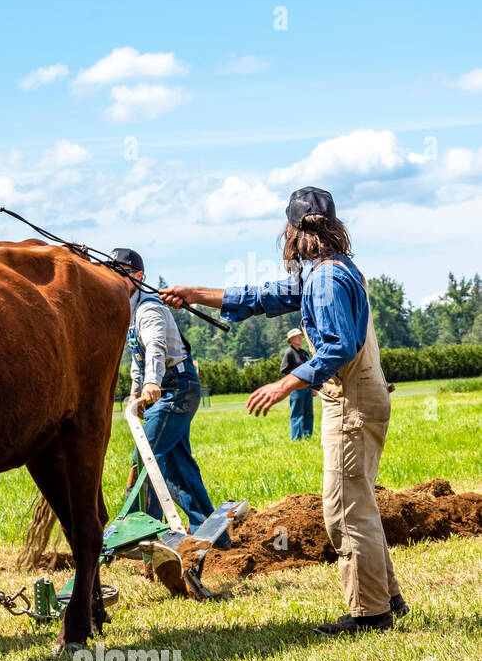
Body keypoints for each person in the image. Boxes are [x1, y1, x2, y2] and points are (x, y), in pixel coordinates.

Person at [160, 187, 407, 635]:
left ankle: (371, 614)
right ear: (332, 228)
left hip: (350, 400)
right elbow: (260, 295)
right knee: (359, 503)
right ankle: (386, 595)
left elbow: (336, 348)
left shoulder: (326, 280)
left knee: (344, 510)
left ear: (293, 232)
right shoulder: (328, 271)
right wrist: (194, 294)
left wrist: (283, 384)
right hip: (358, 396)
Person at [112, 247, 223, 542]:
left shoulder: (148, 310)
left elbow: (156, 349)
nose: (114, 276)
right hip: (164, 389)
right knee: (177, 466)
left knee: (146, 455)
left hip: (177, 388)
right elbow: (138, 357)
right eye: (111, 270)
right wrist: (137, 393)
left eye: (120, 271)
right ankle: (211, 532)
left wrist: (151, 382)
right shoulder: (129, 313)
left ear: (138, 276)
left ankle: (144, 531)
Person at [280, 327, 315, 440]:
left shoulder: (304, 353)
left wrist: (314, 387)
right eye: (297, 336)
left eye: (301, 336)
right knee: (297, 413)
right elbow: (284, 370)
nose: (301, 338)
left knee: (308, 412)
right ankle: (296, 437)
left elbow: (311, 370)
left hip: (307, 387)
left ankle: (307, 436)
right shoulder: (289, 353)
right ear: (291, 339)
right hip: (296, 388)